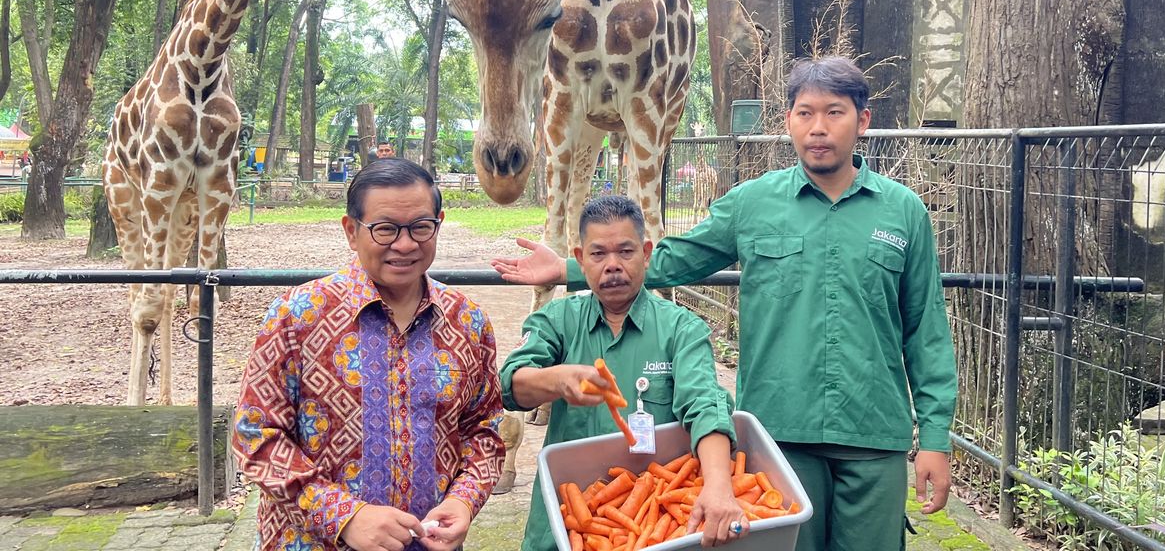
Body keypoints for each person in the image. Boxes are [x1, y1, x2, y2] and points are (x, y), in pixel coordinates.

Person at [493, 56, 958, 551]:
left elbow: (926, 331)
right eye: (805, 113)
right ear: (788, 121)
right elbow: (670, 258)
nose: (818, 128)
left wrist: (934, 438)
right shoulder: (752, 202)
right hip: (780, 433)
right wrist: (569, 267)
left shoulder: (903, 211)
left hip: (872, 436)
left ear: (862, 121)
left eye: (835, 112)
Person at [234, 158, 505, 551]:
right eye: (385, 229)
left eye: (420, 227)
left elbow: (485, 428)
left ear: (438, 224)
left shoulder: (468, 322)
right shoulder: (298, 316)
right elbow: (254, 434)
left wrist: (464, 499)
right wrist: (344, 515)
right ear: (351, 231)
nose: (405, 244)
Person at [501, 195, 745, 551]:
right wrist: (554, 380)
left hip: (652, 519)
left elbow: (706, 406)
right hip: (568, 516)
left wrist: (719, 486)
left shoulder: (681, 329)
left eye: (626, 252)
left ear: (646, 254)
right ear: (581, 260)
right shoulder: (558, 320)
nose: (612, 265)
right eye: (598, 254)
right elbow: (511, 384)